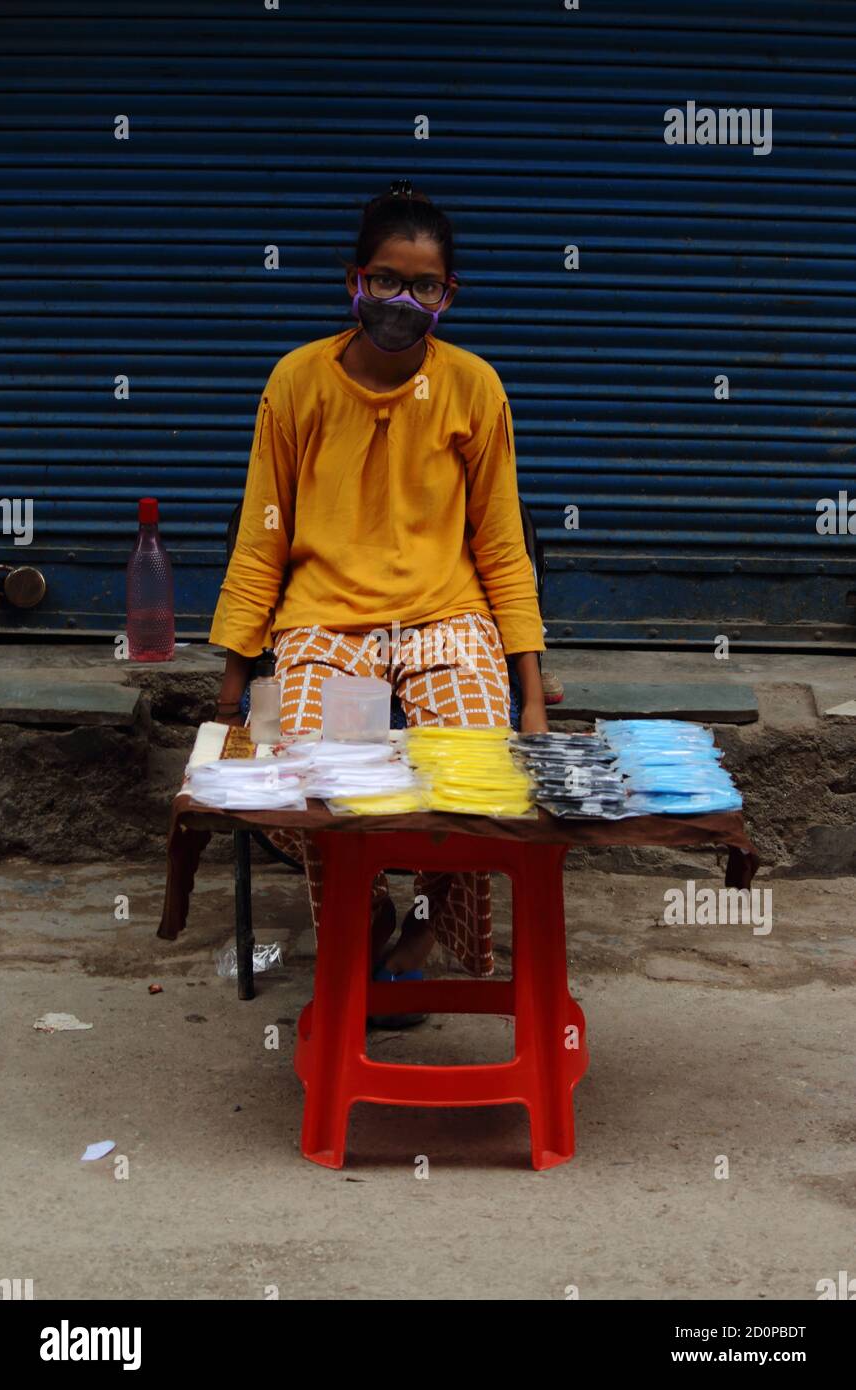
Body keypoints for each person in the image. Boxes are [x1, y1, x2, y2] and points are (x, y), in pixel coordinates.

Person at [210, 181, 547, 1018]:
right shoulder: (296, 384)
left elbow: (503, 543)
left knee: (471, 772)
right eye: (386, 280)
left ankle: (424, 931)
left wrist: (531, 693)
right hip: (324, 620)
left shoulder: (474, 389)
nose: (402, 300)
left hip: (447, 618)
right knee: (301, 782)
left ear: (448, 296)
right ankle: (364, 915)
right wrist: (227, 692)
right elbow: (261, 538)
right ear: (354, 281)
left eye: (423, 286)